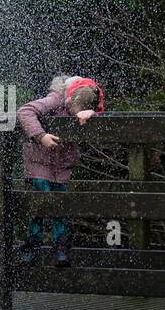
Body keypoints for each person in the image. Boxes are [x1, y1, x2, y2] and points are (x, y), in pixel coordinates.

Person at [15, 75, 104, 267]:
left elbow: (102, 113)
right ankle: (31, 247)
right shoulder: (56, 99)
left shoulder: (90, 98)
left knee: (61, 206)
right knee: (39, 204)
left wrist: (91, 114)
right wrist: (41, 136)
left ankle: (61, 249)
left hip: (62, 163)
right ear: (69, 100)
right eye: (71, 109)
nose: (72, 113)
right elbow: (24, 111)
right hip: (39, 161)